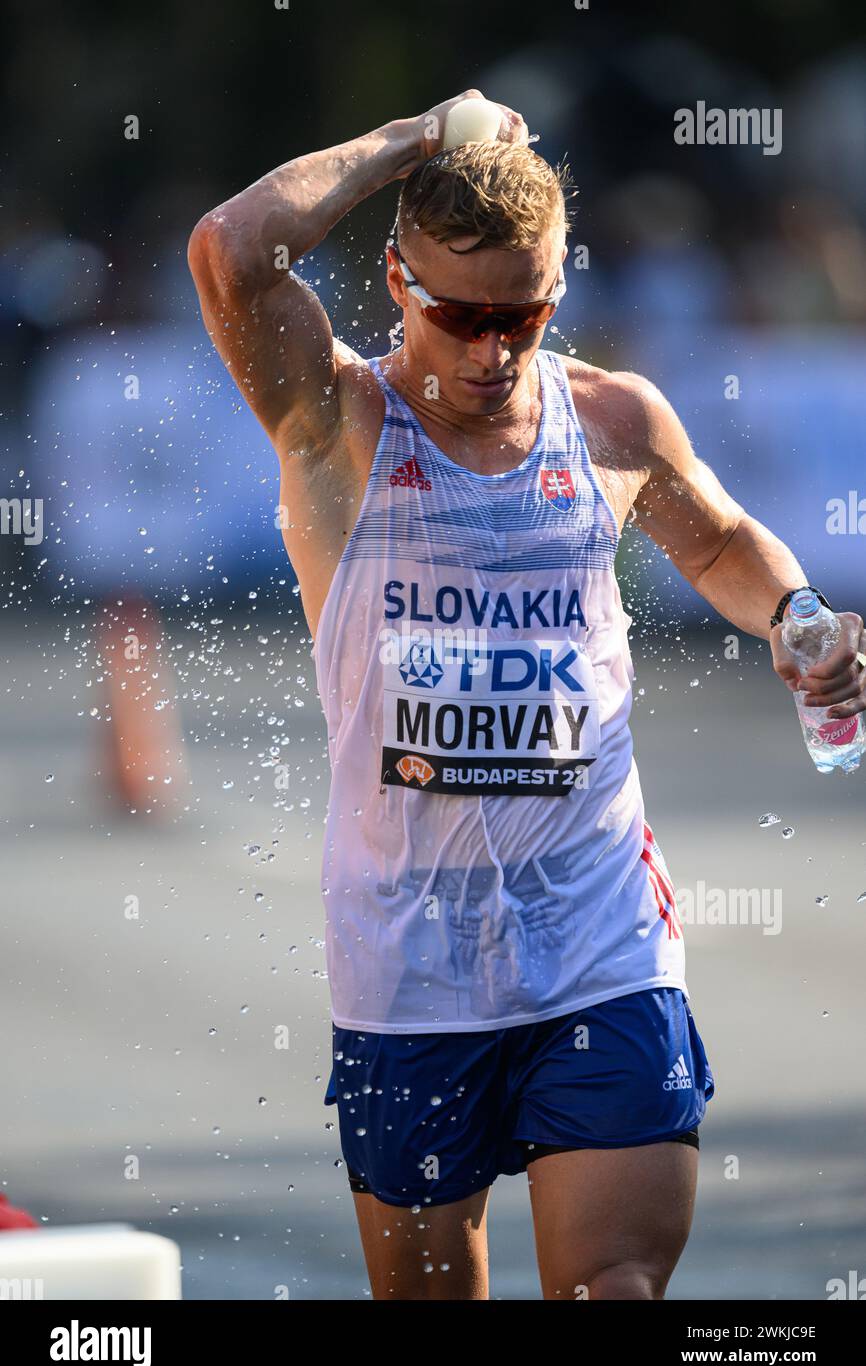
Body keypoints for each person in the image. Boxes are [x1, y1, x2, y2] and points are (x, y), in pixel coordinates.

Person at [188, 91, 866, 1300]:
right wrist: (421, 134)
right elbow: (230, 250)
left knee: (614, 1287)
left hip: (599, 945)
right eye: (460, 316)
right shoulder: (335, 421)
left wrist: (797, 619)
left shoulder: (609, 420)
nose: (493, 350)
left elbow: (715, 543)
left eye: (524, 313)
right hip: (408, 967)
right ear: (396, 280)